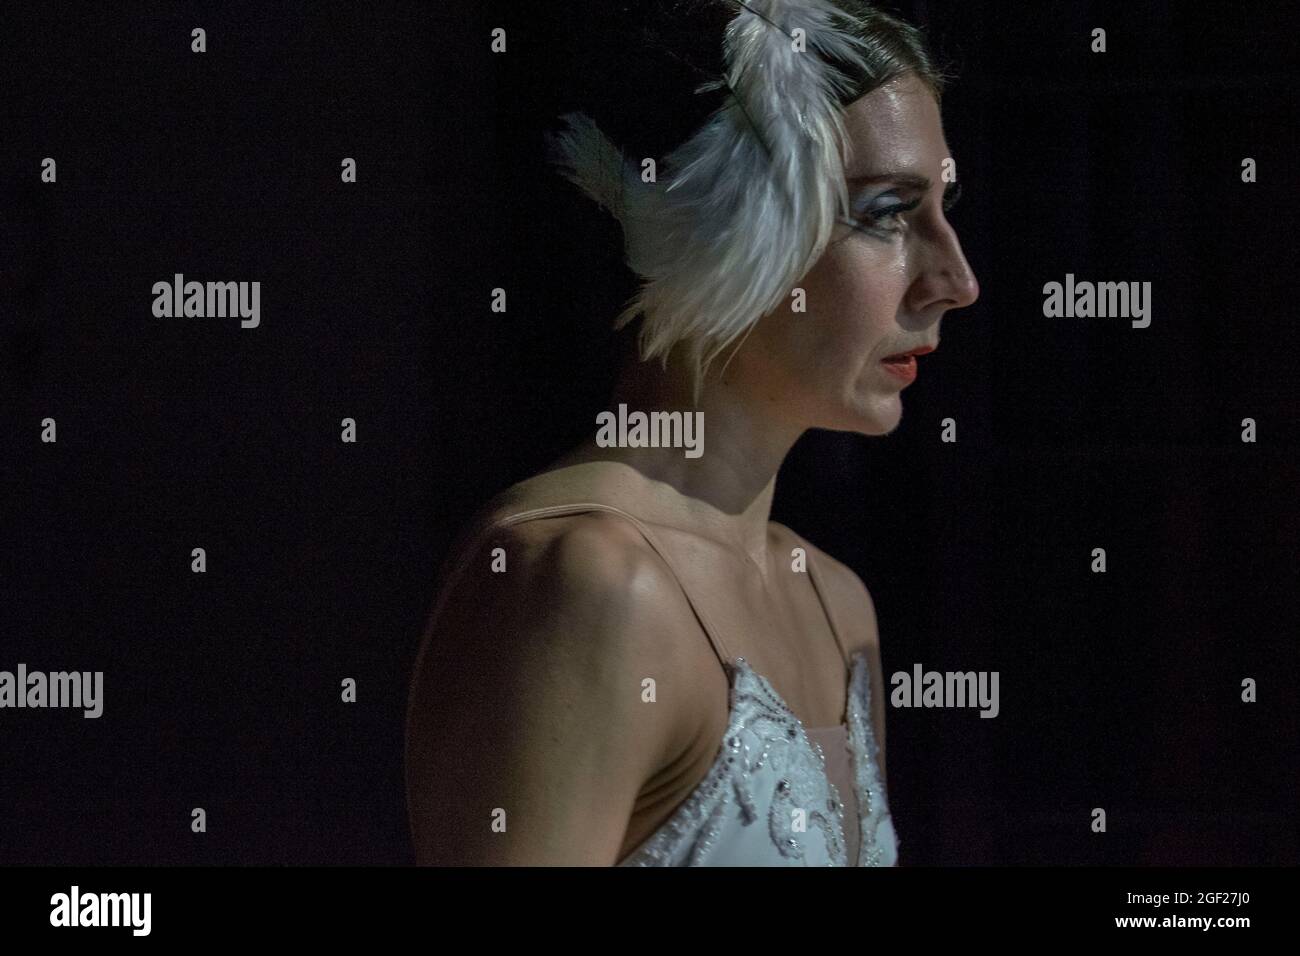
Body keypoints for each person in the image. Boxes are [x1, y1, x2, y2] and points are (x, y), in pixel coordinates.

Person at [406, 0, 979, 866]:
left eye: (943, 206)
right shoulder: (587, 583)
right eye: (887, 212)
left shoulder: (837, 604)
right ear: (721, 220)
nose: (956, 279)